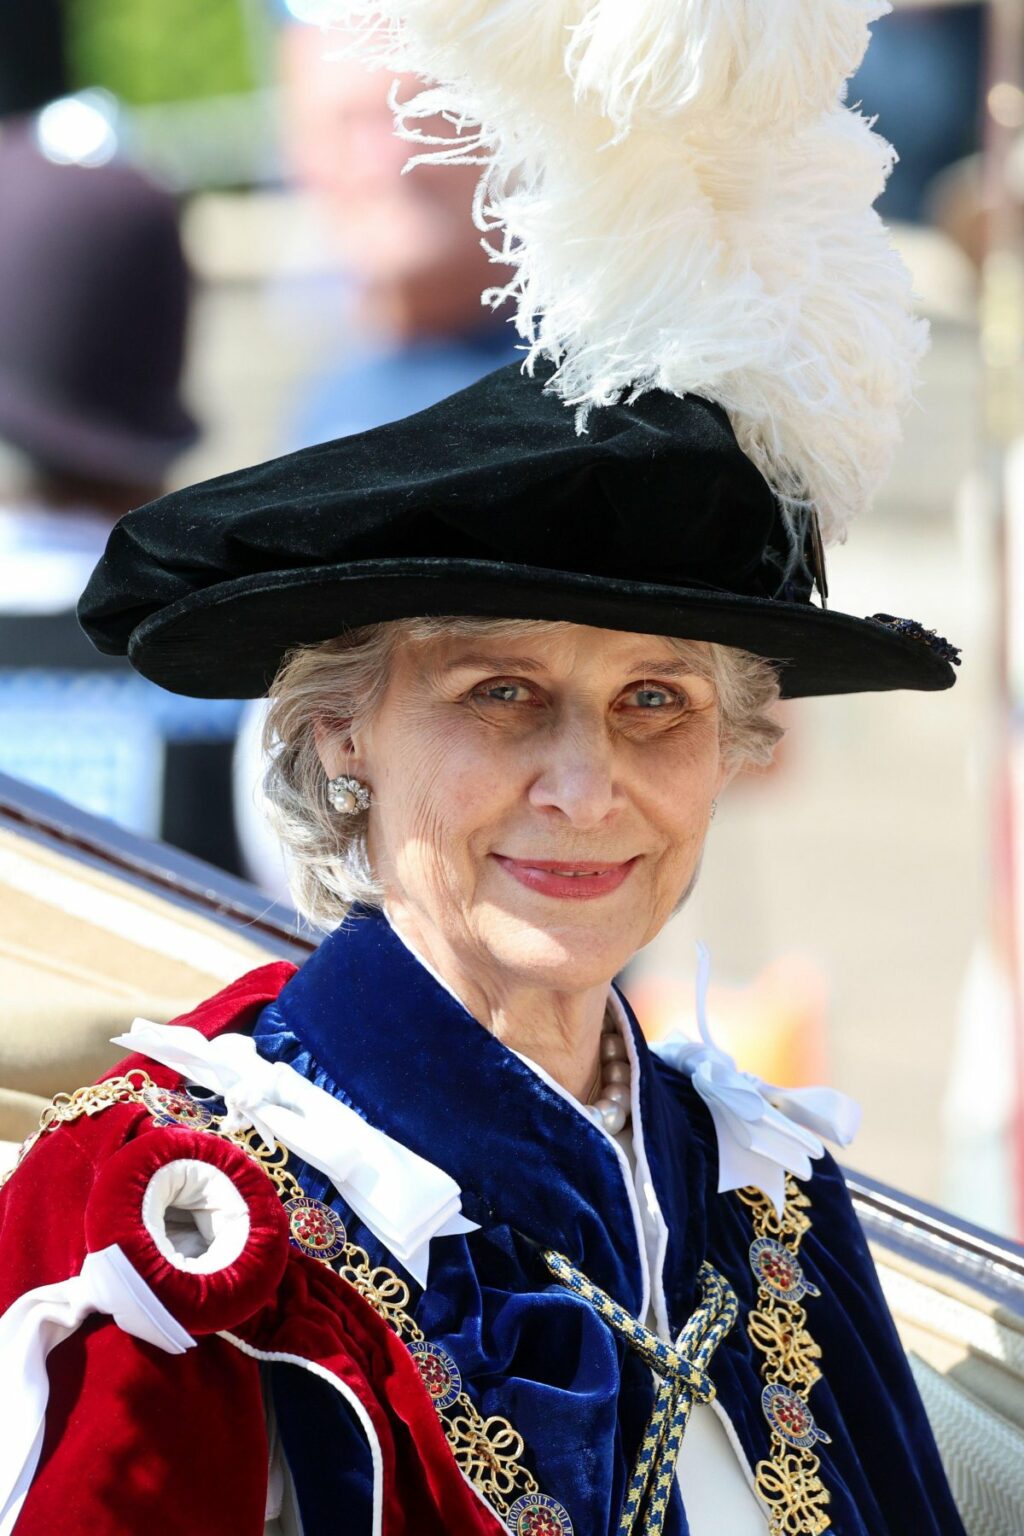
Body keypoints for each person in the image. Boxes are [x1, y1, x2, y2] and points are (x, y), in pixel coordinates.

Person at [0, 3, 969, 1535]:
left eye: (656, 700)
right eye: (502, 693)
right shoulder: (173, 1224)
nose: (587, 786)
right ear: (340, 738)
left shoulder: (761, 1199)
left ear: (736, 749)